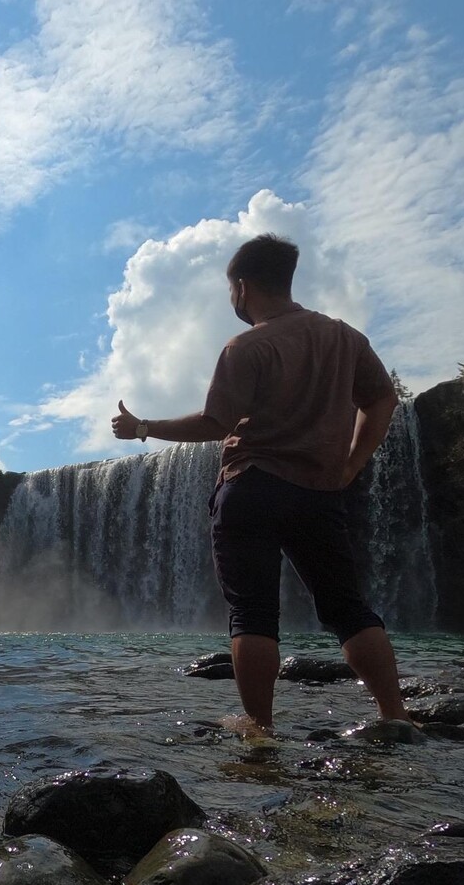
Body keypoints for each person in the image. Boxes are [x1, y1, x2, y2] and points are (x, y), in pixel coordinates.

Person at [111, 233, 408, 734]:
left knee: (252, 611)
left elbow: (214, 423)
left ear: (242, 287)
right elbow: (382, 400)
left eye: (231, 291)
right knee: (347, 608)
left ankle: (258, 727)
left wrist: (143, 427)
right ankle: (395, 716)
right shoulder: (345, 339)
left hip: (252, 487)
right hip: (319, 491)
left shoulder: (246, 346)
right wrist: (353, 464)